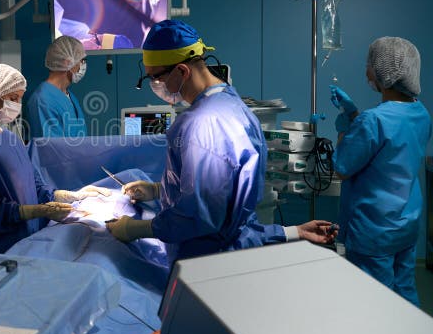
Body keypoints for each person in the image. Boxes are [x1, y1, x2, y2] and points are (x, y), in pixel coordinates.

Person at [105, 20, 336, 266]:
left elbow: (198, 216)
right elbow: (220, 198)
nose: (154, 85)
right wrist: (159, 190)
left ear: (182, 71)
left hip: (204, 266)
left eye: (156, 77)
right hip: (225, 256)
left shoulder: (203, 124)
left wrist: (133, 229)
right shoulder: (233, 105)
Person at [0, 64, 109, 253]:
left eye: (19, 99)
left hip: (24, 241)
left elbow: (33, 186)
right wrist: (35, 211)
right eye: (13, 98)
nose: (17, 105)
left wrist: (68, 196)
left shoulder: (12, 139)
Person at [330, 36, 431, 305]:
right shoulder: (421, 113)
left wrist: (344, 126)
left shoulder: (373, 120)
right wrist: (355, 117)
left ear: (384, 72)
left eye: (370, 65)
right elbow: (388, 146)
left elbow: (342, 167)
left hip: (373, 230)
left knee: (375, 303)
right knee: (405, 294)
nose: (366, 71)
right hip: (405, 223)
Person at [26, 36, 88, 138]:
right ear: (67, 62)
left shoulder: (69, 96)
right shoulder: (42, 101)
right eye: (81, 60)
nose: (83, 65)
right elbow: (52, 149)